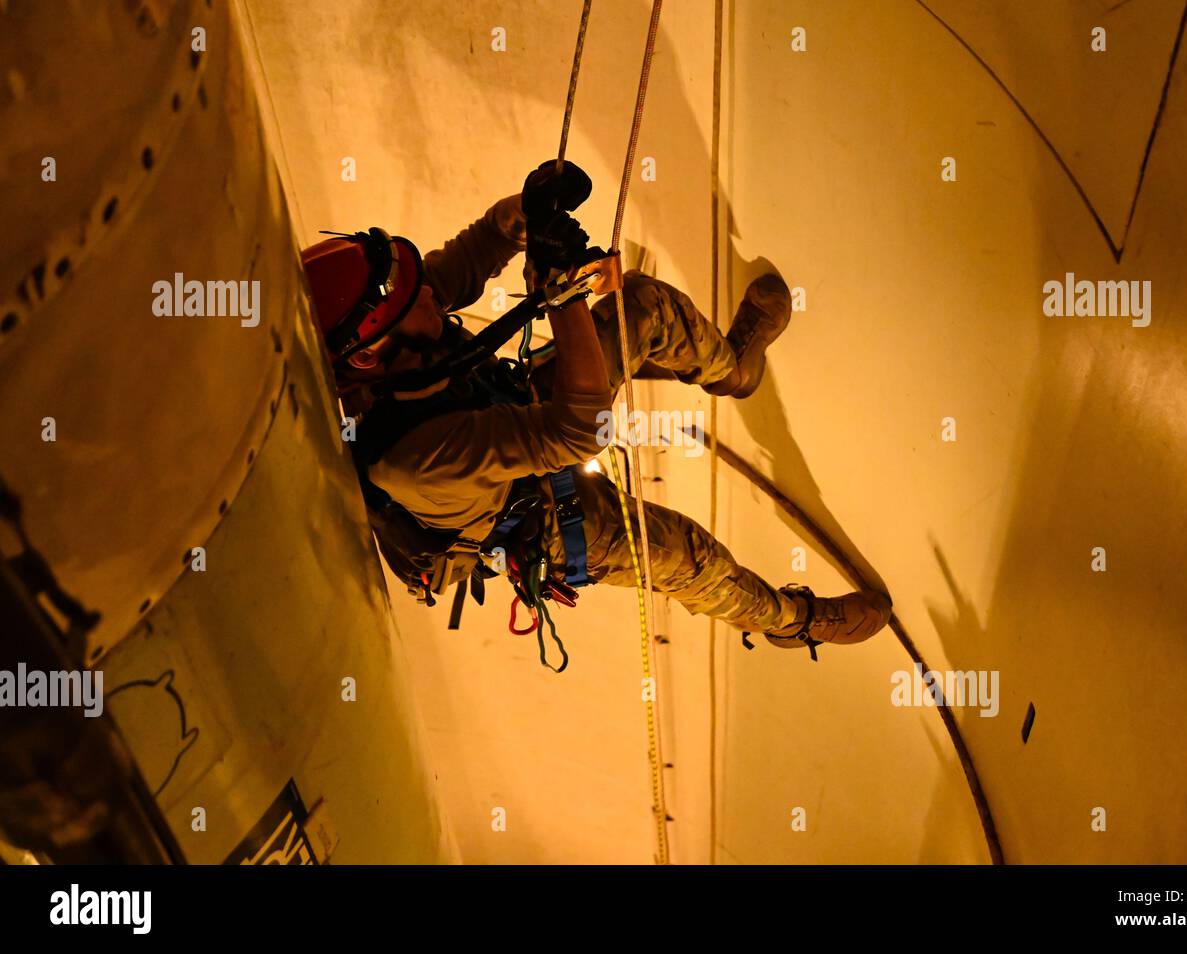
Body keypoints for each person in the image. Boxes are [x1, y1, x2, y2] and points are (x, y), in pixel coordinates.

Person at [301, 159, 892, 659]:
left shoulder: (397, 333)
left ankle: (734, 370)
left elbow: (484, 243)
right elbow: (580, 429)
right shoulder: (411, 459)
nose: (428, 289)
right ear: (373, 353)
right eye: (413, 297)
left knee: (644, 305)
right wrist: (564, 297)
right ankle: (796, 622)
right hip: (539, 520)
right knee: (692, 558)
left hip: (511, 411)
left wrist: (530, 213)